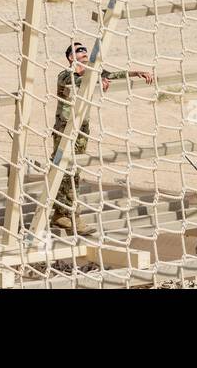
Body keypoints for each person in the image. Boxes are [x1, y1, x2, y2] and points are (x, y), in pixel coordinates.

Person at [49, 42, 154, 234]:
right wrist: (96, 79)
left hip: (81, 129)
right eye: (79, 53)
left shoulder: (92, 73)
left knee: (73, 172)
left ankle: (60, 215)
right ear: (71, 58)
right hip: (64, 129)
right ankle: (72, 217)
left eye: (84, 52)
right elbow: (77, 83)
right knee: (65, 173)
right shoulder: (65, 76)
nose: (83, 54)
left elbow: (111, 74)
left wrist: (135, 73)